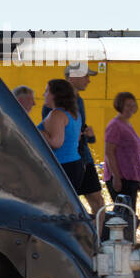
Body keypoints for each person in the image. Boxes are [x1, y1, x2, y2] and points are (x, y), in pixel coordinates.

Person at [42, 64, 104, 213]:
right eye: (85, 76)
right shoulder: (61, 108)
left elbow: (59, 138)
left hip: (73, 159)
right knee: (71, 204)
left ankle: (95, 234)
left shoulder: (71, 105)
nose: (88, 80)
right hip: (72, 159)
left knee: (93, 201)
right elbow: (64, 136)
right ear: (72, 77)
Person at [38, 78, 85, 192]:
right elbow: (77, 137)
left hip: (61, 166)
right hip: (75, 163)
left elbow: (56, 143)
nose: (44, 94)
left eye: (47, 91)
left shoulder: (56, 114)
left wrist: (36, 131)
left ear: (55, 94)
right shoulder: (75, 114)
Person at [104, 91, 140, 215]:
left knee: (127, 215)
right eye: (127, 105)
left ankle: (124, 234)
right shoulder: (115, 125)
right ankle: (114, 234)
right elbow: (109, 152)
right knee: (124, 215)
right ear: (119, 105)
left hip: (131, 177)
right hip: (121, 178)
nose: (131, 108)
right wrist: (116, 177)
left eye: (133, 105)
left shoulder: (127, 124)